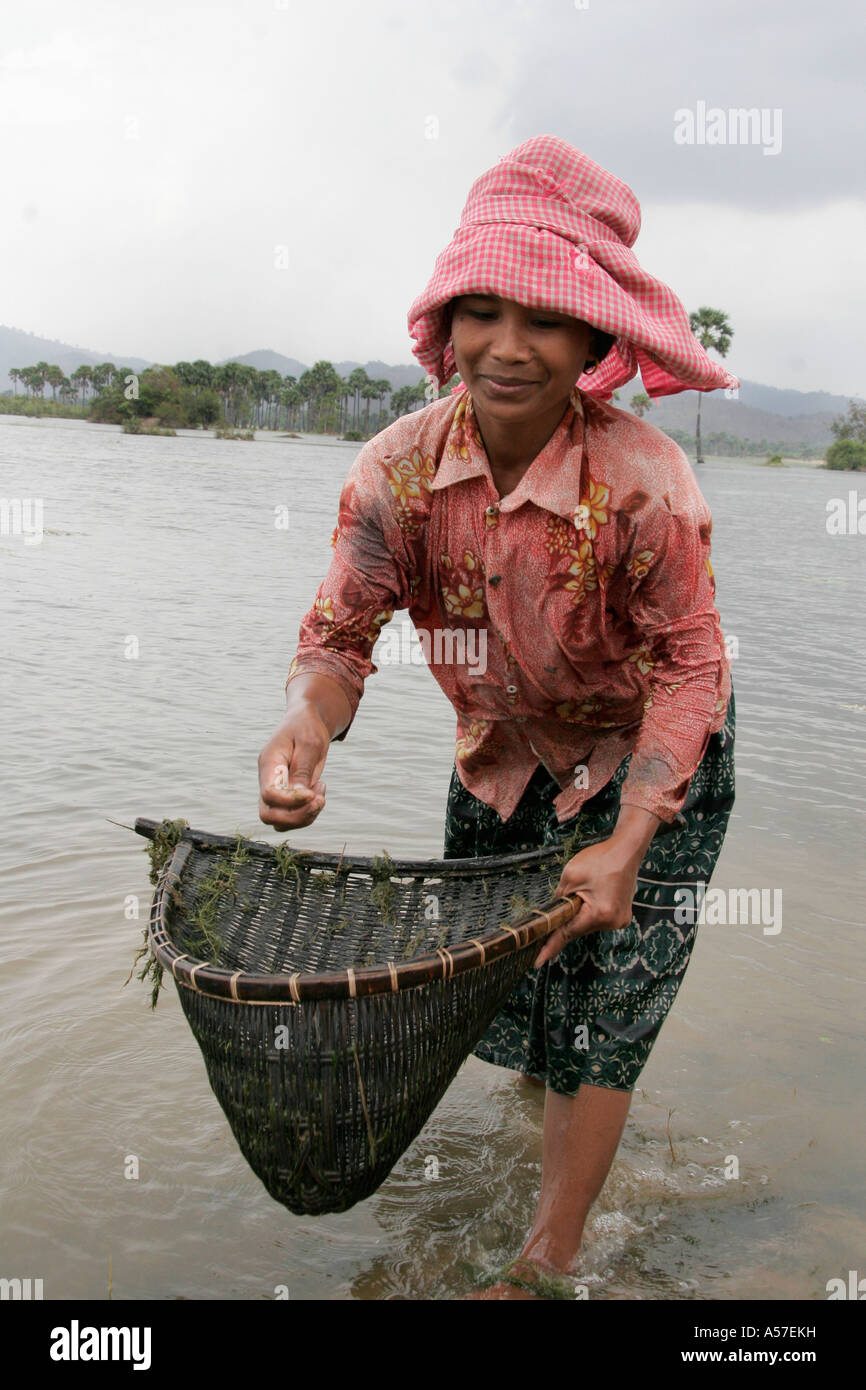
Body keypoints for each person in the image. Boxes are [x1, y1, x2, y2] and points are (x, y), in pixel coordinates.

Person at [257, 135, 738, 1300]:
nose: (507, 346)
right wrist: (303, 735)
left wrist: (625, 844)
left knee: (608, 1001)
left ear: (590, 341)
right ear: (446, 325)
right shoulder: (397, 475)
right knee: (522, 1006)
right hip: (501, 763)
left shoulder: (640, 484)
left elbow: (689, 666)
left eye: (542, 318)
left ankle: (545, 1259)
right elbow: (337, 640)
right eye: (482, 312)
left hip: (648, 764)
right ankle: (555, 1146)